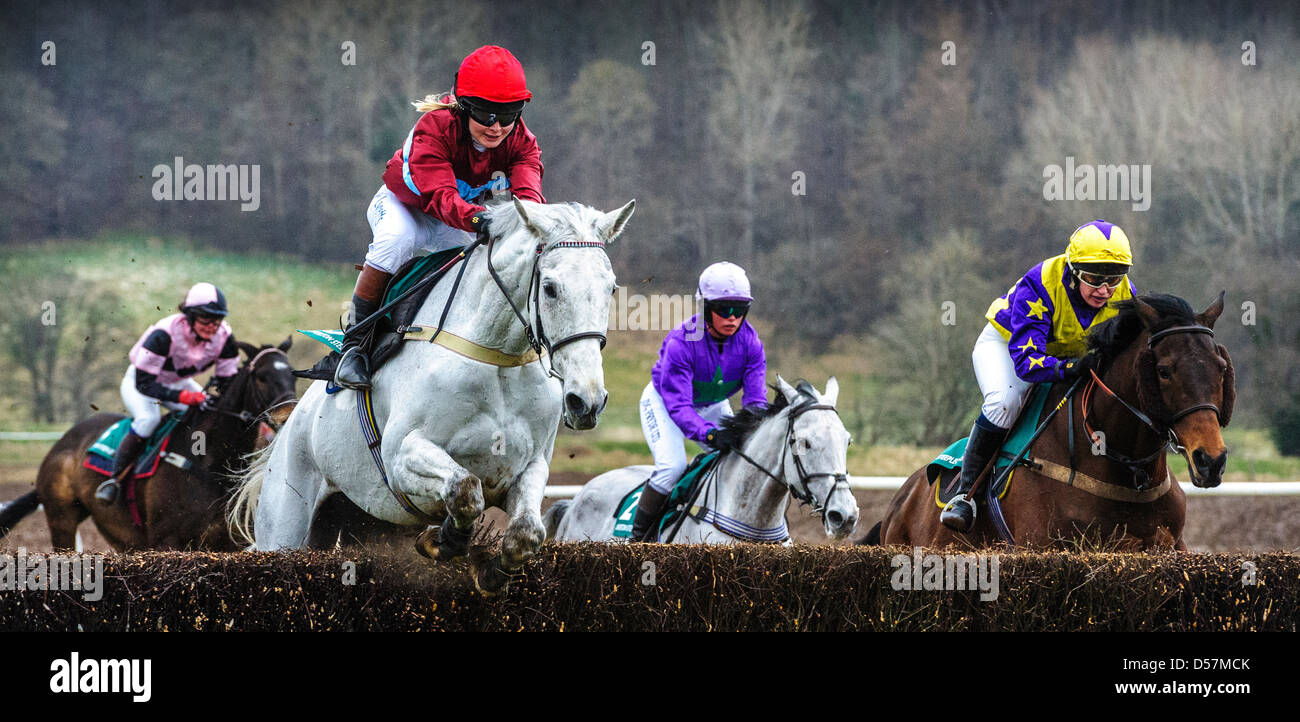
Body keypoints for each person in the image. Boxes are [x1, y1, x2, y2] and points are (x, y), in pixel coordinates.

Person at [334, 45, 545, 389]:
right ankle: (353, 347)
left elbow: (529, 202)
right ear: (463, 107)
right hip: (406, 207)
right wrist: (482, 221)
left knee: (486, 259)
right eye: (486, 114)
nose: (497, 127)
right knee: (395, 241)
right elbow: (440, 198)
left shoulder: (522, 142)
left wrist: (532, 226)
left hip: (455, 219)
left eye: (508, 115)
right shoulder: (434, 127)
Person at [940, 219, 1137, 531]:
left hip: (1066, 353)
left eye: (1114, 279)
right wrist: (1072, 368)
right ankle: (966, 495)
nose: (1104, 290)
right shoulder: (1040, 284)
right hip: (1007, 347)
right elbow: (1028, 363)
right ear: (1073, 271)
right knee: (1005, 401)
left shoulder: (1124, 293)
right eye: (1094, 278)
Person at [628, 262, 768, 542]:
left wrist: (752, 433)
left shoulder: (752, 344)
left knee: (741, 459)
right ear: (705, 308)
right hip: (665, 403)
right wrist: (710, 433)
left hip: (713, 404)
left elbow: (755, 402)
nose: (732, 318)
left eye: (739, 311)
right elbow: (679, 406)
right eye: (724, 310)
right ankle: (638, 541)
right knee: (672, 467)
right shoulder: (681, 342)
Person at [95, 283, 240, 503]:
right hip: (141, 383)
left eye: (217, 319)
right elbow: (145, 384)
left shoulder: (225, 336)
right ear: (190, 316)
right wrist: (182, 397)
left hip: (176, 382)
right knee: (148, 419)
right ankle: (115, 480)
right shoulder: (164, 334)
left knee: (206, 414)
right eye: (205, 319)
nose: (212, 326)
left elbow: (227, 380)